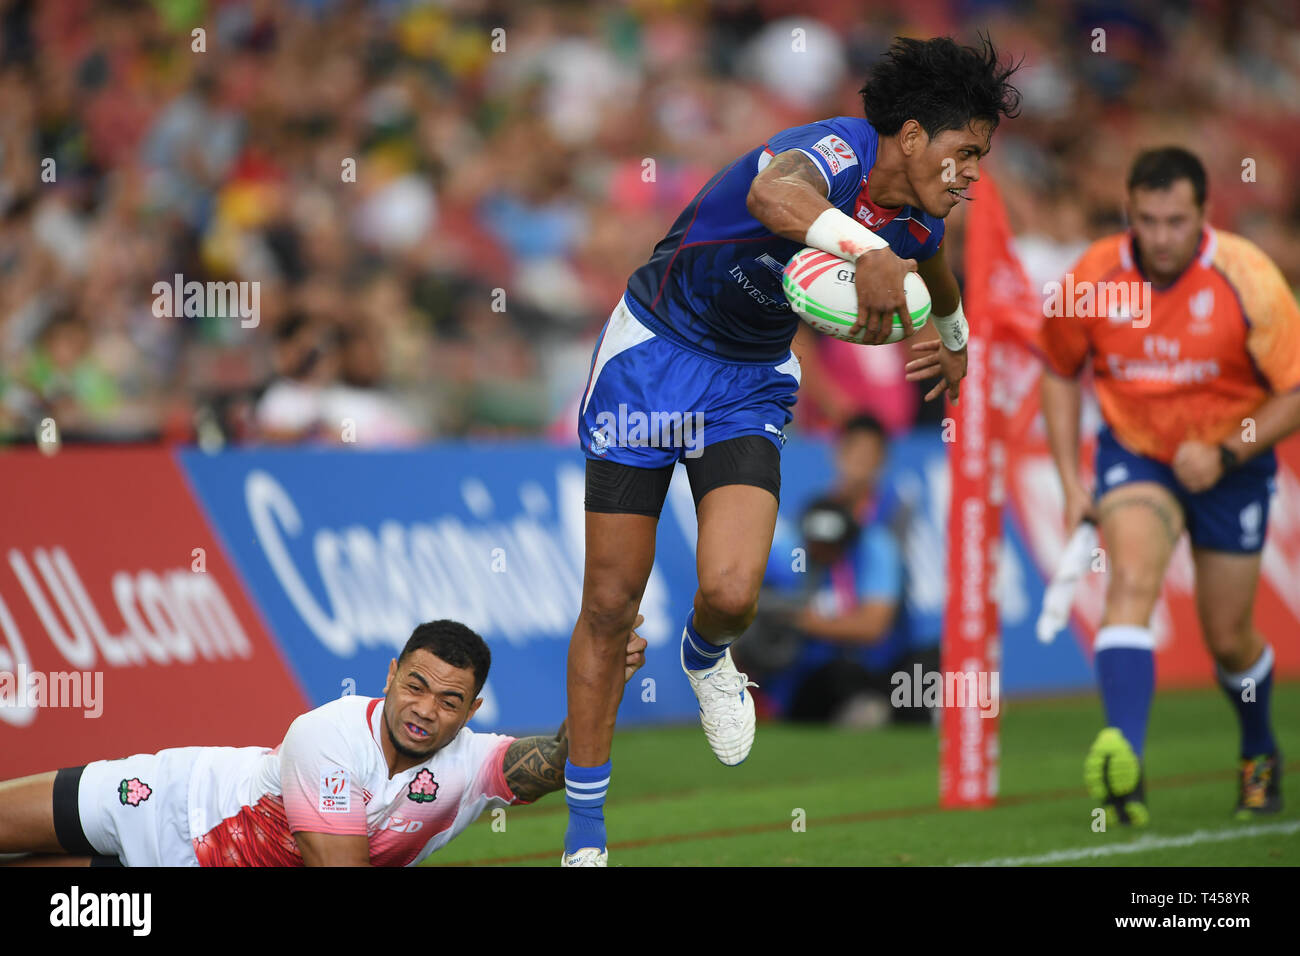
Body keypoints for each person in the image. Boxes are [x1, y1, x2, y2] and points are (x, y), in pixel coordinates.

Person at [563, 35, 1021, 865]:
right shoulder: (836, 148)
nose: (971, 174)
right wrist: (869, 252)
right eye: (965, 152)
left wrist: (954, 338)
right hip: (654, 357)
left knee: (734, 593)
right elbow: (777, 196)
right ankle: (586, 839)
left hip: (749, 384)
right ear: (911, 135)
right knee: (608, 604)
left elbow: (936, 262)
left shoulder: (918, 218)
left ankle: (706, 657)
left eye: (980, 158)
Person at [1038, 146, 1300, 826]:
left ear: (1204, 214)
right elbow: (1059, 371)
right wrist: (1071, 480)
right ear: (1129, 210)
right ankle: (1123, 760)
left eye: (1175, 221)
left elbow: (1295, 390)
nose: (1159, 237)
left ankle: (1257, 748)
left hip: (1232, 466)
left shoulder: (1248, 275)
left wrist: (1226, 449)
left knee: (1228, 636)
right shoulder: (1091, 276)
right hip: (1137, 456)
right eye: (1146, 220)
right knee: (1128, 586)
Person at [0, 620, 646, 866]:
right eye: (415, 686)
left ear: (472, 710)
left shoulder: (472, 763)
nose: (425, 711)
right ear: (391, 676)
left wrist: (604, 681)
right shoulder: (329, 735)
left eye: (450, 701)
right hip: (159, 798)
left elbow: (564, 762)